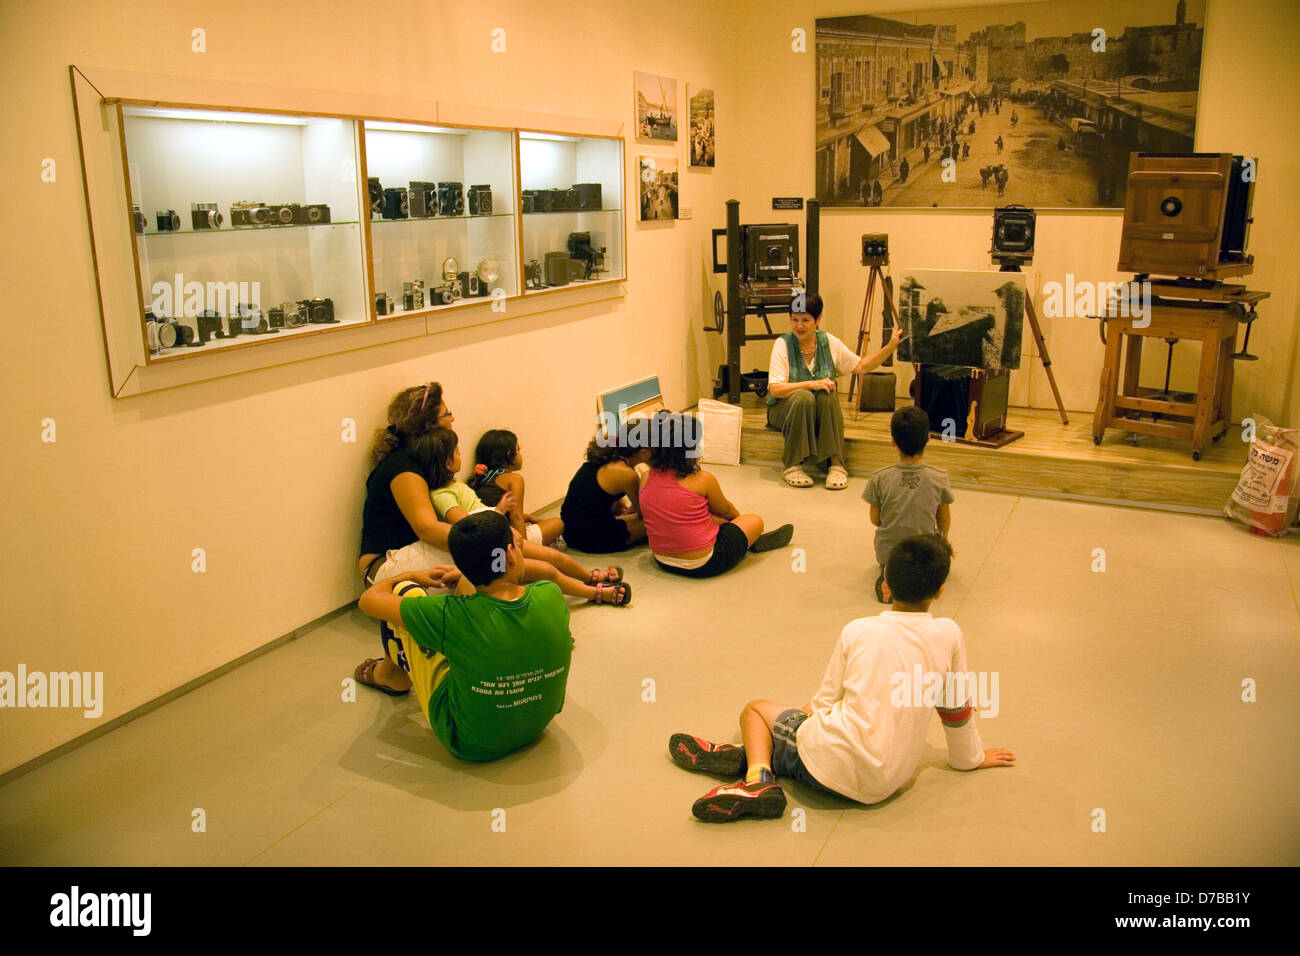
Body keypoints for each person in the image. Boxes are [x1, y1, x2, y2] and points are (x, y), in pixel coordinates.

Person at [668, 534, 1014, 822]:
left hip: (829, 768)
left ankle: (757, 778)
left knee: (756, 711)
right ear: (939, 590)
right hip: (888, 782)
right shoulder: (949, 633)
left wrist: (795, 722)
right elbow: (954, 706)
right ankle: (750, 753)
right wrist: (970, 758)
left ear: (886, 584)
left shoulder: (859, 630)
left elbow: (822, 703)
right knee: (783, 731)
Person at [358, 511, 573, 761]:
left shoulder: (450, 615)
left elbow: (369, 600)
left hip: (470, 742)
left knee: (403, 592)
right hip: (537, 724)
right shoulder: (550, 594)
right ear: (510, 555)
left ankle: (388, 675)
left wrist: (410, 575)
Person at [417, 428, 632, 606]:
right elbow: (467, 524)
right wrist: (500, 514)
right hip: (494, 548)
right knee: (548, 570)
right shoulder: (442, 495)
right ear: (446, 462)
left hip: (501, 537)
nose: (460, 456)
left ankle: (590, 577)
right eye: (456, 452)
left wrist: (502, 515)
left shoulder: (456, 485)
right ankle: (594, 592)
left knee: (553, 559)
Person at [766, 293, 902, 489]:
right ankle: (793, 465)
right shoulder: (783, 344)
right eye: (794, 320)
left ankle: (836, 465)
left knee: (827, 396)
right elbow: (776, 389)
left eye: (805, 320)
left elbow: (861, 366)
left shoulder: (828, 342)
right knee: (804, 396)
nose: (799, 326)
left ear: (818, 319)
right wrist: (811, 384)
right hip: (783, 411)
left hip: (816, 411)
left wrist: (890, 347)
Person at [639, 411, 793, 578]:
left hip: (662, 560)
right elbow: (726, 509)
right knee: (754, 520)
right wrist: (737, 522)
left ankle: (742, 537)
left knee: (703, 515)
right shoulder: (703, 479)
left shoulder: (645, 477)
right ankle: (752, 538)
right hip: (704, 563)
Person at [864, 406, 953, 603]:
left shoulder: (879, 478)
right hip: (925, 552)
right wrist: (942, 542)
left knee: (894, 555)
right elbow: (943, 520)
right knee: (931, 560)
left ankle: (889, 574)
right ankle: (922, 581)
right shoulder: (939, 478)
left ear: (892, 440)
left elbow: (875, 520)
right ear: (928, 438)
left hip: (889, 552)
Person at [466, 429, 563, 546]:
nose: (520, 454)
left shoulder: (479, 477)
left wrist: (528, 518)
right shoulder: (514, 479)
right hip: (506, 540)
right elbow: (515, 518)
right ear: (509, 455)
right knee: (558, 523)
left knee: (531, 519)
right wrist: (525, 549)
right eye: (518, 450)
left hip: (484, 539)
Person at [559, 434, 651, 553]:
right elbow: (645, 513)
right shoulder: (626, 473)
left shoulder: (610, 459)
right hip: (588, 537)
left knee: (630, 515)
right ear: (643, 452)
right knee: (658, 522)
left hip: (570, 530)